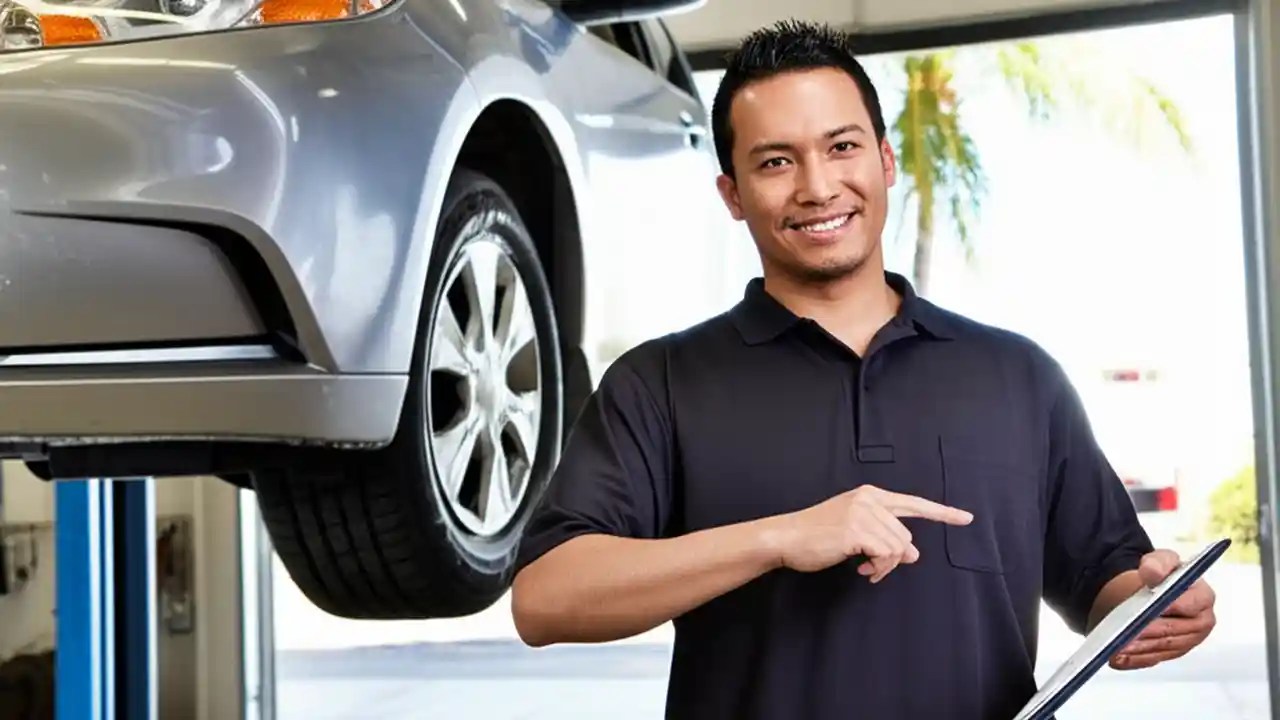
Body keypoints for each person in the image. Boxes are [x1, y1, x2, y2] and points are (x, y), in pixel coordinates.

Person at [509, 18, 1217, 720]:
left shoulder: (1018, 375)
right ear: (732, 194)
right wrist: (779, 538)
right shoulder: (658, 382)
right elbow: (545, 599)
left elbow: (1105, 579)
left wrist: (1157, 607)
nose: (818, 188)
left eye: (841, 147)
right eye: (776, 161)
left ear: (884, 161)